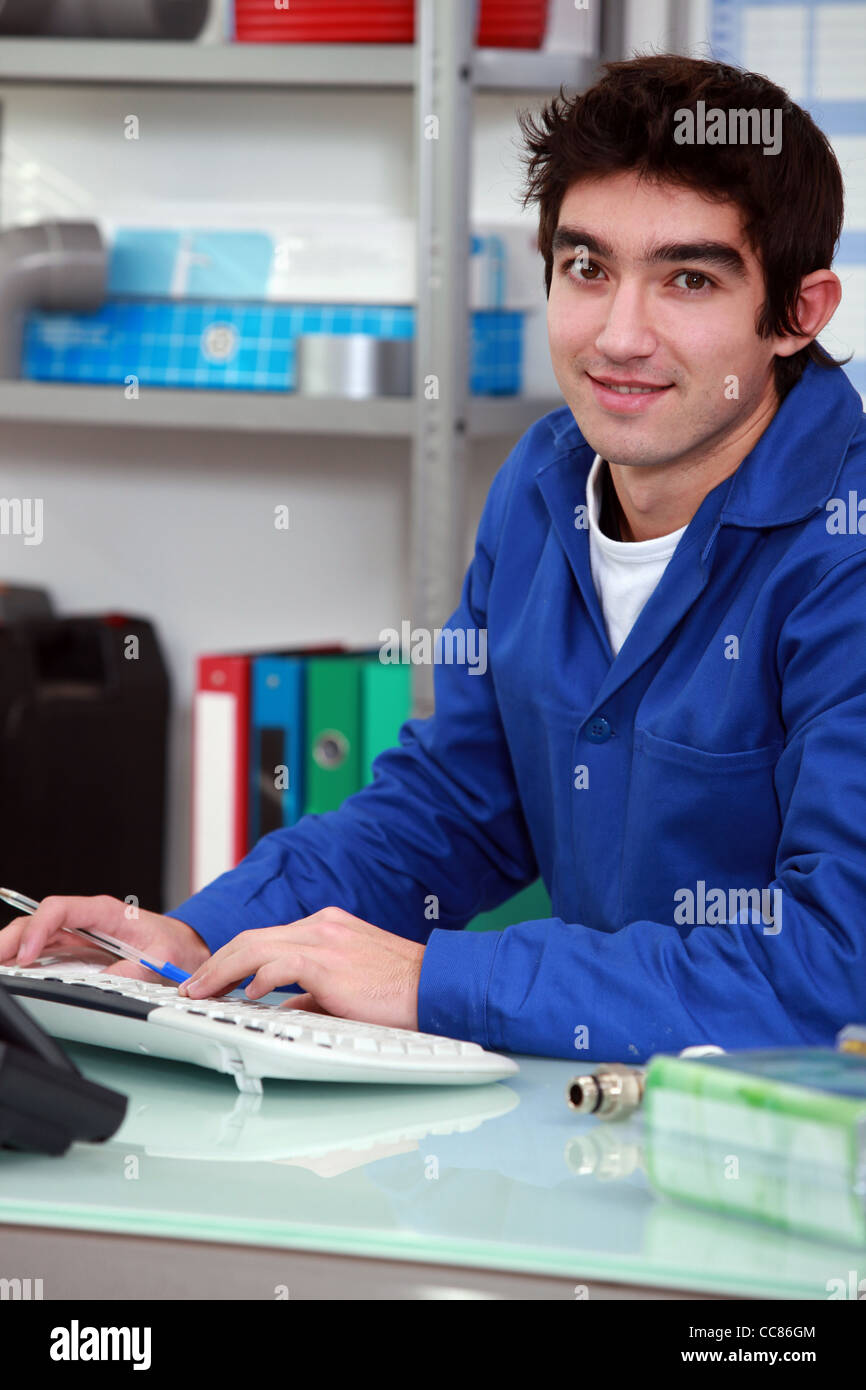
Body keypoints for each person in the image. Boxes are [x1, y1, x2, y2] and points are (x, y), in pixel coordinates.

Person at [2, 55, 863, 1063]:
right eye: (586, 267)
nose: (619, 335)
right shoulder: (542, 485)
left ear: (800, 312)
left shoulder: (841, 552)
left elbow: (832, 970)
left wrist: (430, 981)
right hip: (607, 1123)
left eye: (686, 279)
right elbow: (454, 803)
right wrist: (206, 937)